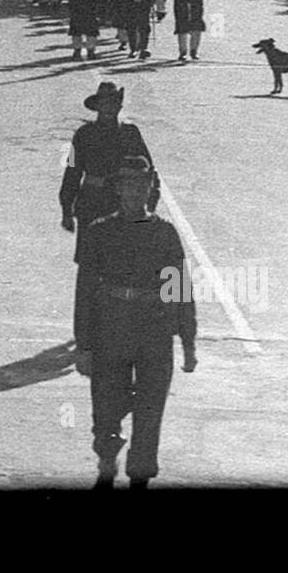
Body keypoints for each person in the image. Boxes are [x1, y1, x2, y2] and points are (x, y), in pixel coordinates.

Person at [83, 154, 197, 488]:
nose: (134, 192)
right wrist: (84, 344)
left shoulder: (164, 234)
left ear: (150, 189)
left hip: (154, 330)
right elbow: (85, 291)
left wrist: (188, 342)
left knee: (150, 411)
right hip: (111, 328)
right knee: (106, 405)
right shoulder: (99, 232)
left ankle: (140, 474)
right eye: (127, 185)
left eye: (141, 185)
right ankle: (107, 453)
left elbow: (179, 290)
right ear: (117, 190)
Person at [59, 82, 161, 371]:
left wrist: (149, 205)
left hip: (124, 207)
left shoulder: (130, 134)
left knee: (123, 269)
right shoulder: (83, 135)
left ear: (119, 106)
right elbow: (72, 172)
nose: (109, 108)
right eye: (104, 104)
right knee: (89, 274)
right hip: (91, 207)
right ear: (97, 107)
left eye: (113, 103)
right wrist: (66, 208)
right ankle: (84, 335)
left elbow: (148, 170)